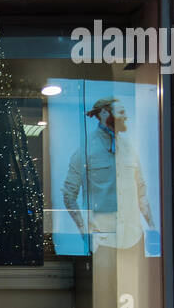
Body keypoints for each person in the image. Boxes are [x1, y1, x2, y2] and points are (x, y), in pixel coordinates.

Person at [61, 97, 155, 254]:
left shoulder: (129, 148)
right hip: (103, 242)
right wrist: (85, 234)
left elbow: (141, 192)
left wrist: (152, 228)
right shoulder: (85, 150)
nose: (126, 116)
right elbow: (69, 196)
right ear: (104, 113)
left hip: (134, 238)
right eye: (121, 112)